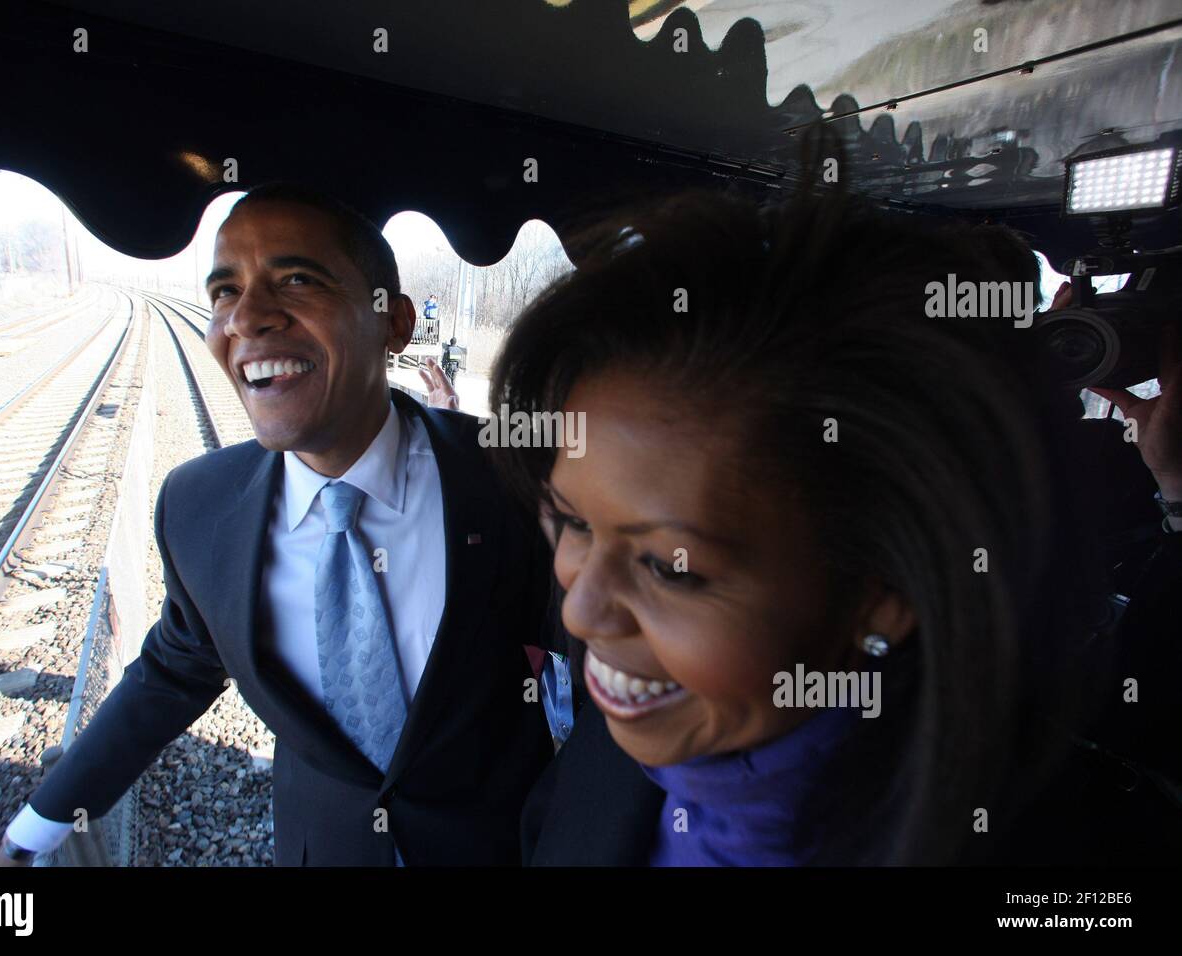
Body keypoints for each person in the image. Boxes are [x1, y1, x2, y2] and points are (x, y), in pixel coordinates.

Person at [488, 187, 1182, 865]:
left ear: (884, 594)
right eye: (574, 522)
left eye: (671, 568)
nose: (579, 611)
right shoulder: (615, 748)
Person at [0, 183, 554, 866]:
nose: (245, 318)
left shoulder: (510, 475)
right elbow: (175, 669)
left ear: (394, 323)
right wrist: (32, 836)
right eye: (224, 291)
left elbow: (611, 651)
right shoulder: (198, 507)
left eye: (297, 279)